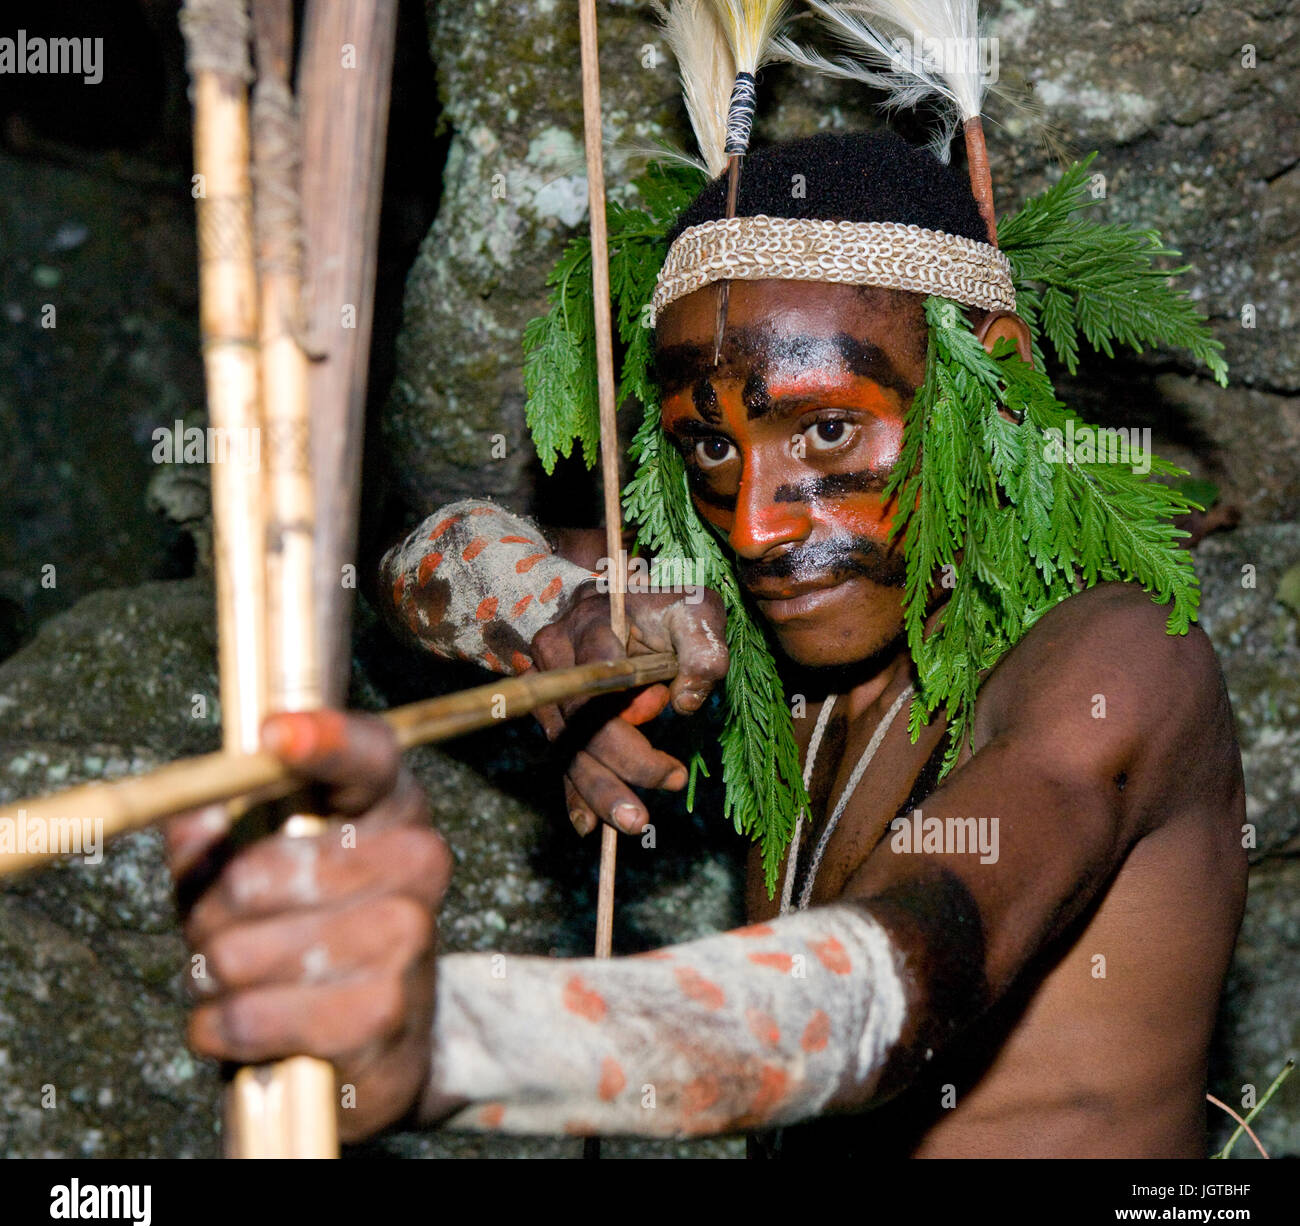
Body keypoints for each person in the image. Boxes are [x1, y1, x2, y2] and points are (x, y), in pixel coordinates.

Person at [165, 126, 1247, 1158]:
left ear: (993, 381)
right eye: (711, 446)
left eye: (827, 430)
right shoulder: (783, 601)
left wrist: (454, 1039)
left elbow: (909, 976)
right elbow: (424, 560)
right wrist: (558, 619)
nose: (755, 525)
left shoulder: (1117, 661)